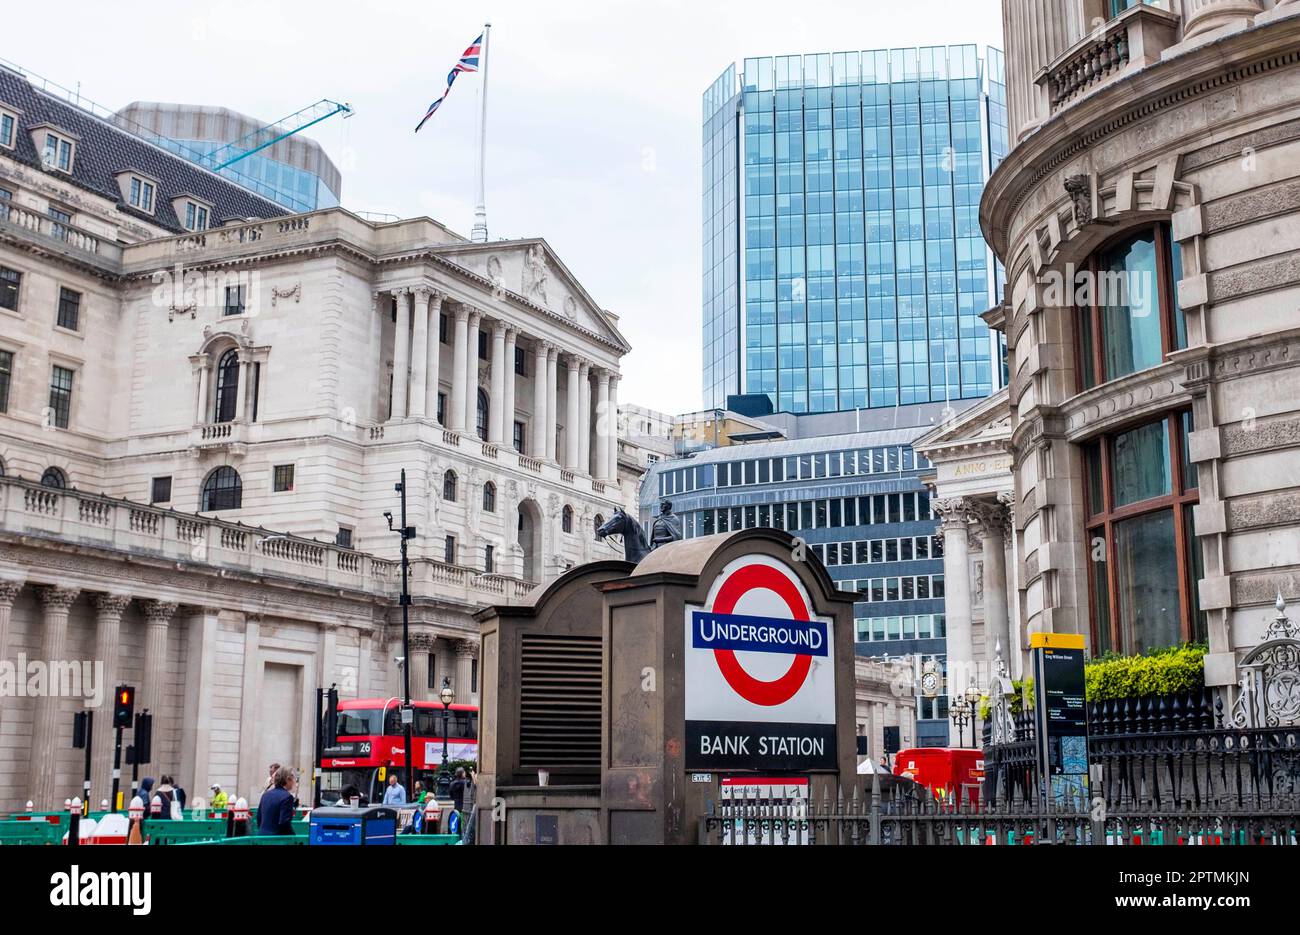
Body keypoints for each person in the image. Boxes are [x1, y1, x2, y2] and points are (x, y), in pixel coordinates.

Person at [258, 766, 297, 835]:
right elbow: (284, 823)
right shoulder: (287, 797)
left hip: (261, 837)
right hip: (277, 839)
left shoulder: (265, 795)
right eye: (294, 779)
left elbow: (259, 818)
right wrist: (294, 837)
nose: (294, 782)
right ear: (288, 779)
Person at [447, 767, 474, 838]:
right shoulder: (466, 782)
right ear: (462, 774)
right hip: (465, 805)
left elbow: (451, 796)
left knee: (458, 823)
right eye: (464, 772)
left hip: (456, 805)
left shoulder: (452, 783)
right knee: (465, 823)